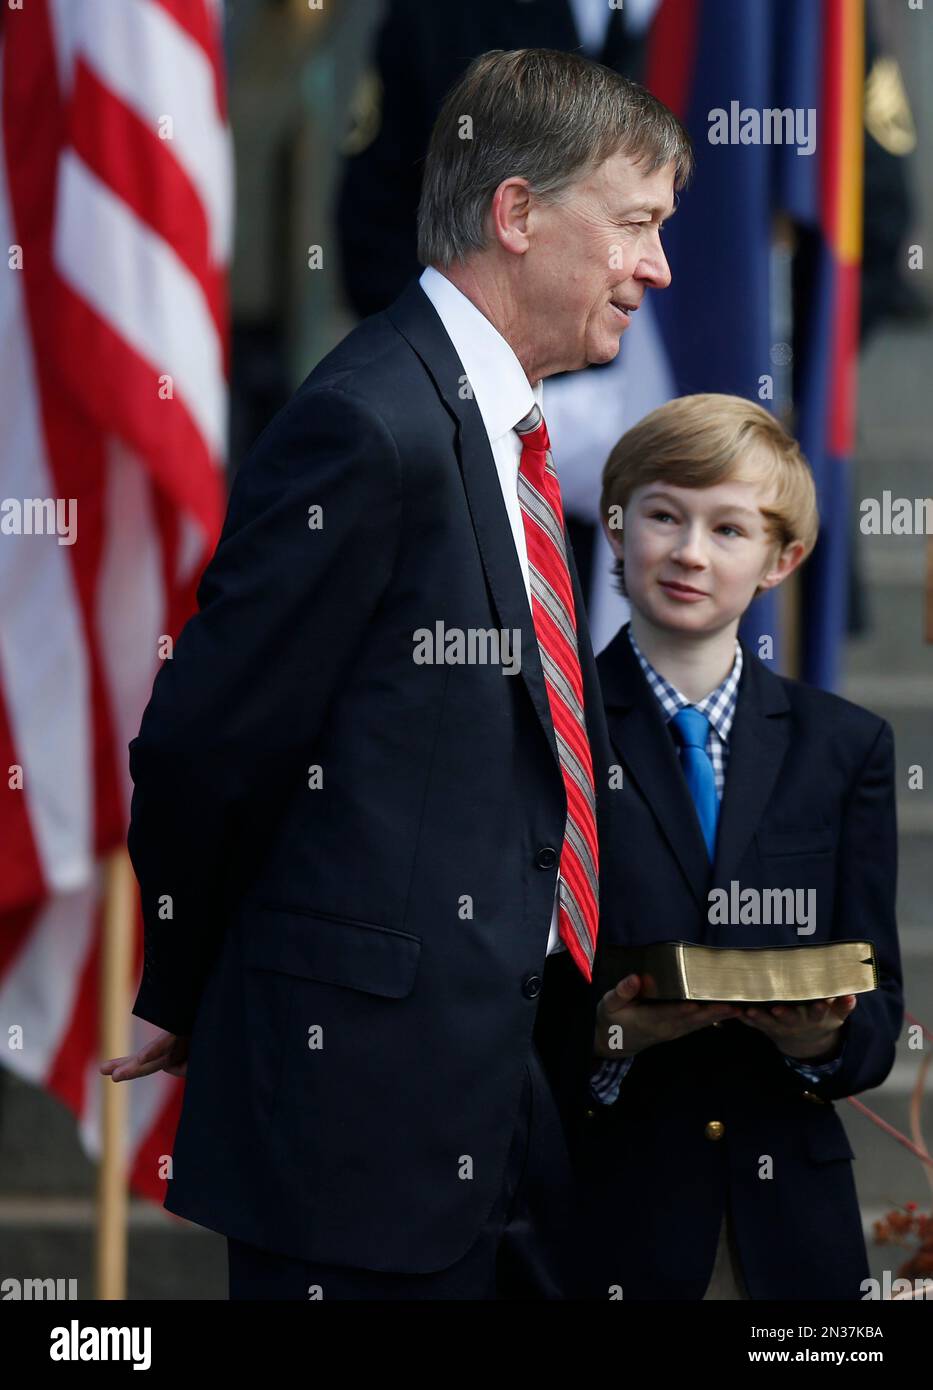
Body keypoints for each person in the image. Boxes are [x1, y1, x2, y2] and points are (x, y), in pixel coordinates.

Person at [99, 48, 692, 1300]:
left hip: (507, 1112)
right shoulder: (370, 422)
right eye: (636, 224)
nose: (658, 268)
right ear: (517, 213)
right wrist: (195, 973)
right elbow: (206, 741)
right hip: (358, 1137)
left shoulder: (503, 427)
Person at [575, 394, 903, 1300]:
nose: (689, 551)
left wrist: (824, 1036)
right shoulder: (554, 730)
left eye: (728, 529)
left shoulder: (844, 747)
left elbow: (878, 1007)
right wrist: (605, 1036)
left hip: (792, 1228)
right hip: (606, 1215)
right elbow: (498, 992)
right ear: (615, 527)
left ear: (780, 559)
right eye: (663, 516)